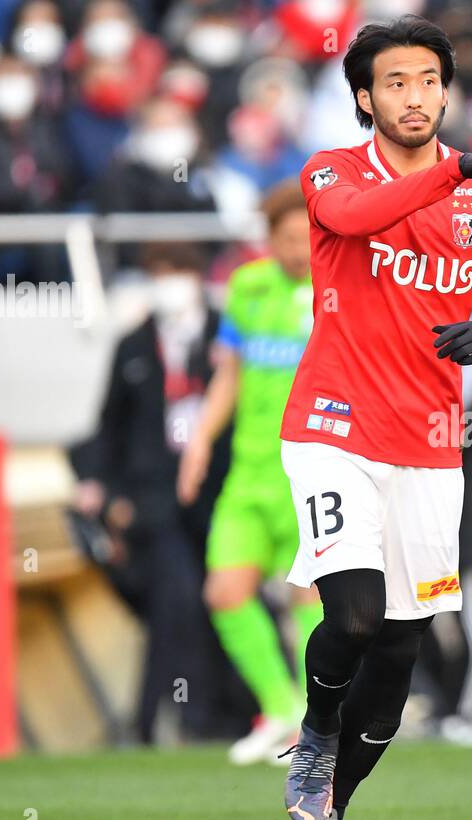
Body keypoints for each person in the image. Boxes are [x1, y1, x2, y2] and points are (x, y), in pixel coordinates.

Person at [276, 14, 472, 820]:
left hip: (430, 444)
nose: (416, 96)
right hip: (332, 427)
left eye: (430, 81)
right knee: (357, 615)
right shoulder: (332, 172)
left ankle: (324, 815)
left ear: (447, 90)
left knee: (403, 647)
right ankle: (314, 732)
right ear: (365, 99)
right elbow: (361, 215)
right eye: (397, 83)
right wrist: (452, 175)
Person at [177, 182, 323, 766]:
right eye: (287, 238)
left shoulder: (335, 294)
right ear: (269, 241)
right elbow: (229, 376)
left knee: (306, 598)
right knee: (225, 591)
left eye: (307, 237)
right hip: (248, 476)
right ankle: (280, 707)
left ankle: (316, 728)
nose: (299, 249)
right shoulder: (246, 289)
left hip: (308, 471)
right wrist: (199, 444)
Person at [73, 241, 235, 744]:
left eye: (176, 270)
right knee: (177, 597)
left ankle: (209, 715)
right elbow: (108, 426)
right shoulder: (134, 345)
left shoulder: (225, 338)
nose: (167, 283)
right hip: (154, 497)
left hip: (220, 490)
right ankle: (164, 719)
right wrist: (107, 490)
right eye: (157, 273)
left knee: (221, 600)